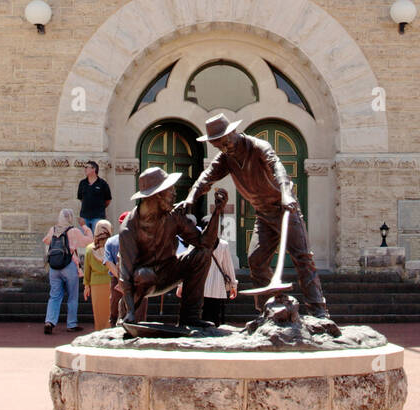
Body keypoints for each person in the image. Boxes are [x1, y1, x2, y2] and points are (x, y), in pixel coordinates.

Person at [176, 114, 328, 318]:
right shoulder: (225, 158)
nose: (224, 148)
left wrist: (286, 194)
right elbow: (207, 176)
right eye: (218, 145)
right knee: (256, 260)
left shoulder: (258, 146)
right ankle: (267, 310)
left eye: (225, 142)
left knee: (302, 257)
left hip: (284, 209)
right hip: (263, 214)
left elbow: (278, 168)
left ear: (232, 132)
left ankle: (319, 311)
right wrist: (191, 197)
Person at [118, 167, 228, 328]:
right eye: (171, 191)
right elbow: (125, 276)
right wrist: (130, 312)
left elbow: (205, 243)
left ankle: (190, 317)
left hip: (169, 271)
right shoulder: (129, 227)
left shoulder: (173, 216)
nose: (175, 195)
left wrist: (217, 212)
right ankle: (126, 313)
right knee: (144, 274)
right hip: (143, 280)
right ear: (157, 195)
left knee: (202, 253)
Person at [42, 208, 89, 335]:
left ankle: (50, 321)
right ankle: (71, 323)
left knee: (54, 295)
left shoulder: (53, 229)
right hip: (69, 265)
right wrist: (85, 227)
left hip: (54, 267)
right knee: (72, 296)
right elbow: (89, 241)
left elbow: (46, 240)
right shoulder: (73, 231)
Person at [201, 214, 238, 327]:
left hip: (201, 284)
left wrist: (182, 286)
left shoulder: (197, 243)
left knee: (202, 314)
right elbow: (228, 267)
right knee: (215, 314)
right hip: (217, 286)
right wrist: (233, 285)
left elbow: (188, 265)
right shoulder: (223, 245)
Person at [82, 219, 113, 330]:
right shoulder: (112, 246)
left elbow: (87, 269)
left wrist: (86, 285)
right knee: (110, 310)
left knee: (98, 311)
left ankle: (99, 330)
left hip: (95, 284)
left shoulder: (89, 249)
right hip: (110, 282)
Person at [104, 211, 131, 326]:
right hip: (130, 278)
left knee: (115, 304)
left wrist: (120, 278)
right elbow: (108, 262)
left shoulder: (111, 241)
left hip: (120, 277)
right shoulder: (112, 241)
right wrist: (122, 279)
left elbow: (108, 262)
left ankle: (113, 325)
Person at [77, 161, 111, 233]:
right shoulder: (82, 183)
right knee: (84, 240)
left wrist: (100, 207)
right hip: (84, 217)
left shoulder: (103, 184)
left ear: (94, 169)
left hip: (98, 217)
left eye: (86, 167)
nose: (85, 169)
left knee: (97, 239)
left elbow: (108, 200)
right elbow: (81, 198)